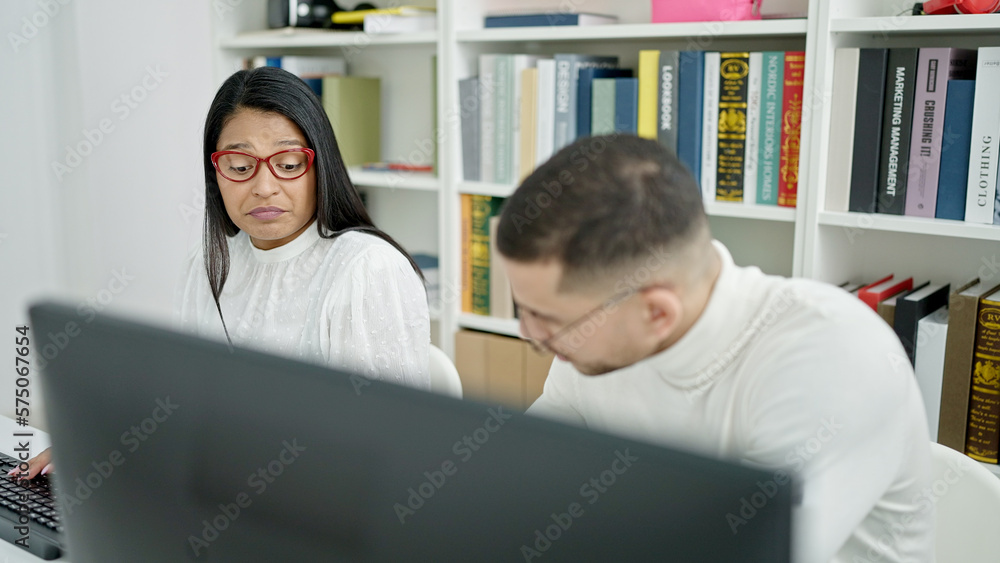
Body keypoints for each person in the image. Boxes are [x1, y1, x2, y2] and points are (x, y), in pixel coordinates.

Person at [495, 135, 933, 562]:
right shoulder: (601, 339)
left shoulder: (831, 356)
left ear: (657, 314)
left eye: (548, 319)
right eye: (524, 309)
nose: (528, 333)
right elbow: (520, 480)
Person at [19, 66, 431, 478]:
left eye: (288, 164)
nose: (264, 187)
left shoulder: (364, 268)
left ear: (320, 166)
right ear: (216, 174)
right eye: (239, 165)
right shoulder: (209, 264)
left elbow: (387, 453)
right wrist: (102, 445)